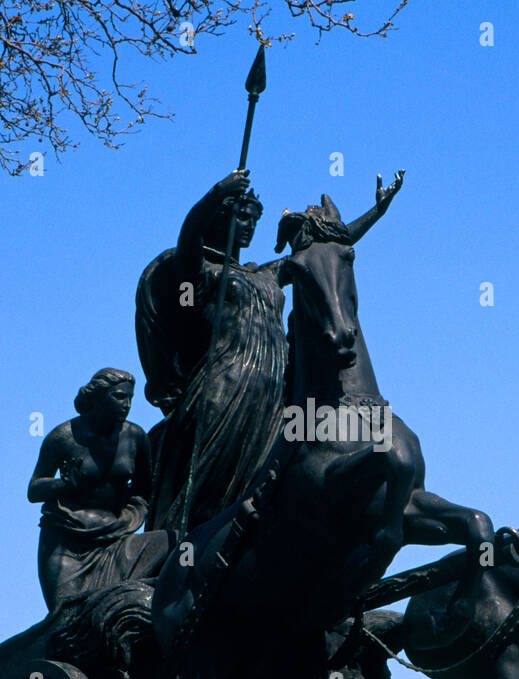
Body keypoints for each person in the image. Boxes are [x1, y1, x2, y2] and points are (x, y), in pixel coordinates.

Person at [136, 168, 404, 534]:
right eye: (240, 216)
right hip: (225, 391)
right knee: (214, 488)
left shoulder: (263, 274)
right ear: (218, 217)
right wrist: (217, 193)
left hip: (274, 392)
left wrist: (377, 213)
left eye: (254, 219)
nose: (248, 225)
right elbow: (189, 236)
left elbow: (322, 252)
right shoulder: (199, 272)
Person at [27, 369, 173, 611]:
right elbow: (34, 490)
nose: (126, 405)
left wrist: (129, 518)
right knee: (68, 617)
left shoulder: (135, 437)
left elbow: (145, 490)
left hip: (115, 537)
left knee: (172, 542)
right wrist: (64, 484)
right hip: (67, 543)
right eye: (119, 397)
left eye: (130, 398)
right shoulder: (63, 436)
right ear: (99, 397)